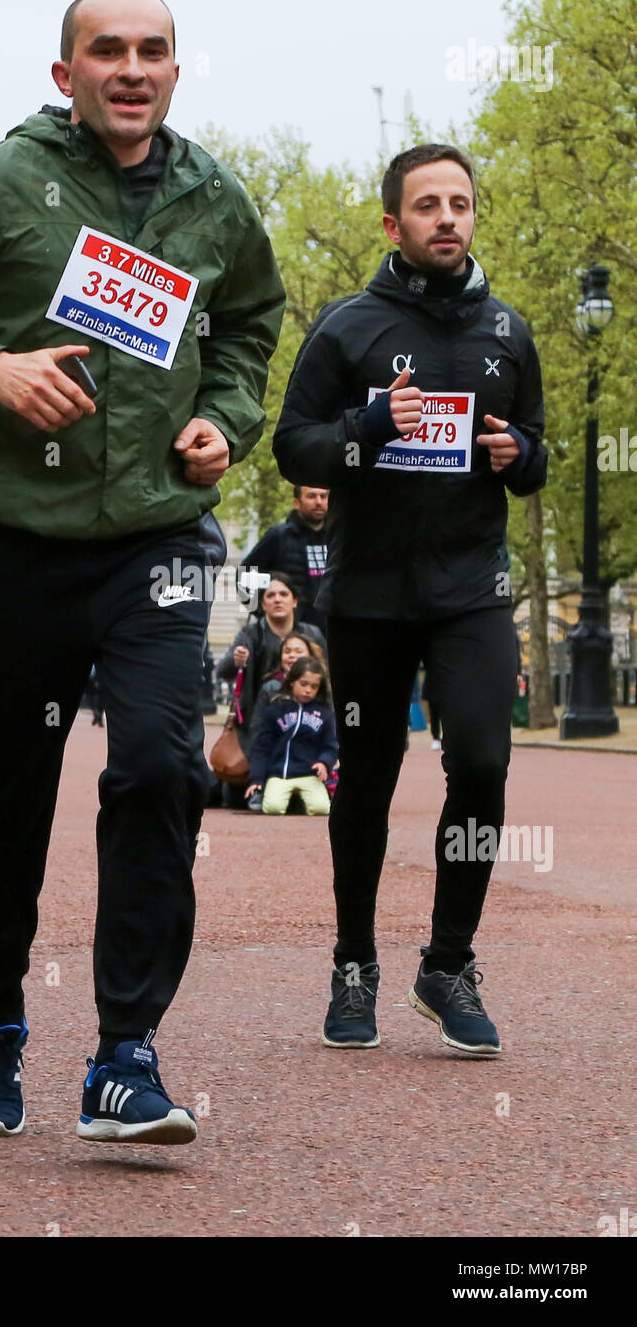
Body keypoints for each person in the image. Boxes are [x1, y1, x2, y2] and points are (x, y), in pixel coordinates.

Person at [0, 0, 284, 1144]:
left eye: (153, 52)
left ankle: (125, 1055)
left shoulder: (214, 202)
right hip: (16, 543)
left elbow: (245, 326)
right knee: (10, 798)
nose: (131, 70)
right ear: (64, 74)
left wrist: (224, 423)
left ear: (175, 71)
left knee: (158, 767)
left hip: (153, 543)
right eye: (106, 51)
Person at [273, 142, 547, 1056]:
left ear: (475, 216)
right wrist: (366, 424)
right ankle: (355, 964)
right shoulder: (348, 328)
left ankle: (449, 961)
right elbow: (294, 447)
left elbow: (532, 446)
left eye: (460, 204)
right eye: (427, 205)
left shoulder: (507, 332)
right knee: (372, 777)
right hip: (371, 594)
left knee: (480, 759)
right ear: (394, 223)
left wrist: (523, 457)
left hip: (471, 591)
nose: (447, 219)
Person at [216, 573, 325, 759]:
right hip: (255, 726)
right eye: (270, 595)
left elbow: (327, 676)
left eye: (284, 594)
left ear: (295, 601)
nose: (277, 600)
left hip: (304, 723)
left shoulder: (312, 634)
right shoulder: (250, 634)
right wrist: (237, 661)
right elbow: (222, 671)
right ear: (263, 604)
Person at [245, 657, 339, 817]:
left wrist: (324, 762)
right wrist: (257, 779)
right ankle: (286, 799)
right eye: (304, 684)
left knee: (322, 808)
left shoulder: (325, 714)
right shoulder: (275, 710)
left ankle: (301, 800)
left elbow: (331, 745)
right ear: (292, 682)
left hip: (310, 773)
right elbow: (262, 747)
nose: (308, 690)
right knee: (273, 808)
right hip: (280, 773)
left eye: (314, 686)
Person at [240, 487, 329, 625]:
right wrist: (265, 614)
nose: (319, 502)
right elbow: (244, 576)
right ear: (296, 502)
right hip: (289, 635)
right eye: (311, 496)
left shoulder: (338, 538)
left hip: (330, 632)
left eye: (323, 496)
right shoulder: (278, 536)